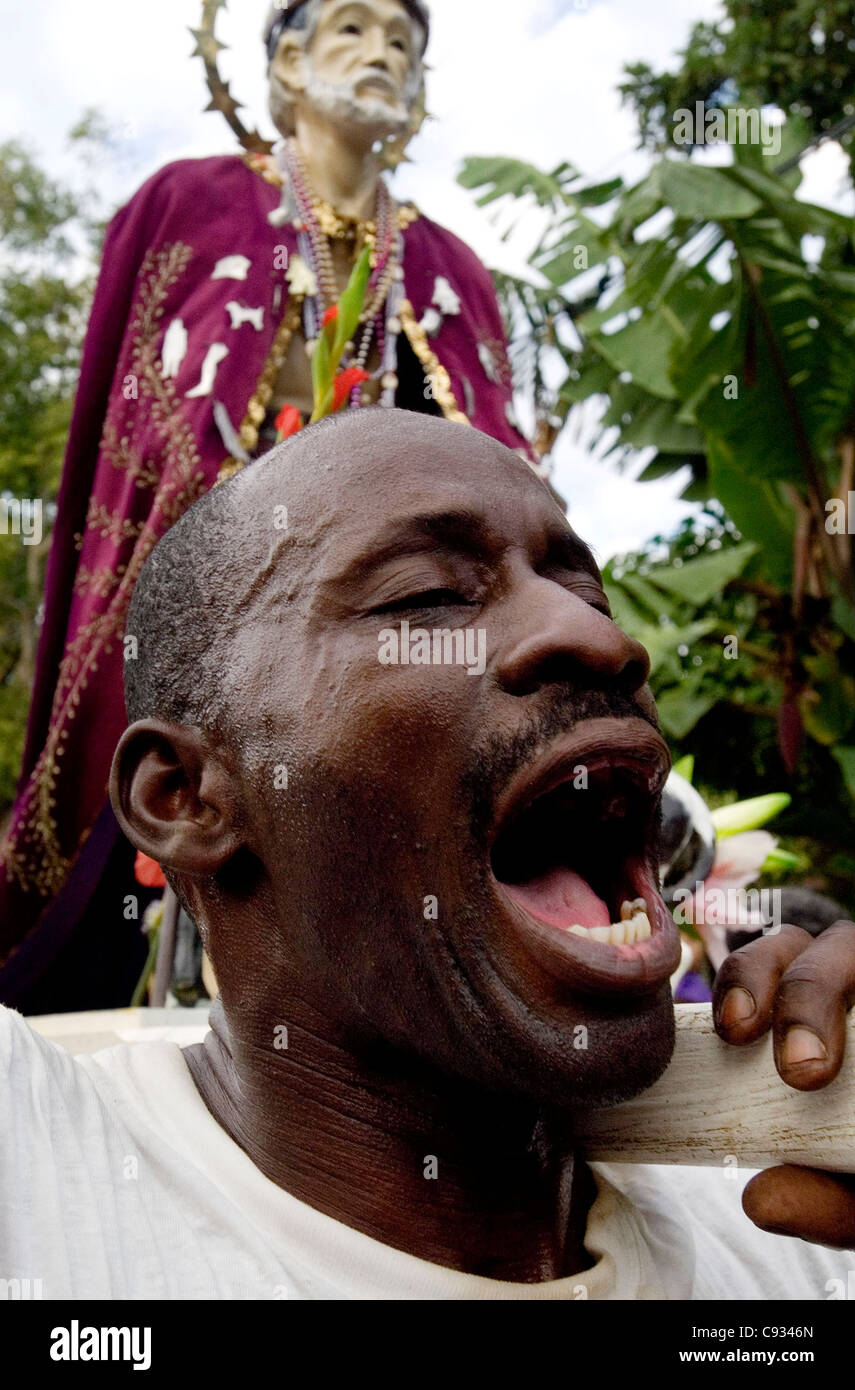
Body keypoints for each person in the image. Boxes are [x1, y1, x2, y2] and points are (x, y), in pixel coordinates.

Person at [2, 411, 855, 1298]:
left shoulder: (794, 1245)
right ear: (182, 797)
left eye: (591, 596)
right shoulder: (33, 1167)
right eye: (427, 598)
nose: (606, 643)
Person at [0, 0, 537, 1011]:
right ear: (288, 65)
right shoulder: (190, 204)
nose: (383, 50)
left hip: (391, 611)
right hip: (217, 581)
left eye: (403, 40)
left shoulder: (452, 269)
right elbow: (142, 423)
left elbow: (490, 470)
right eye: (352, 27)